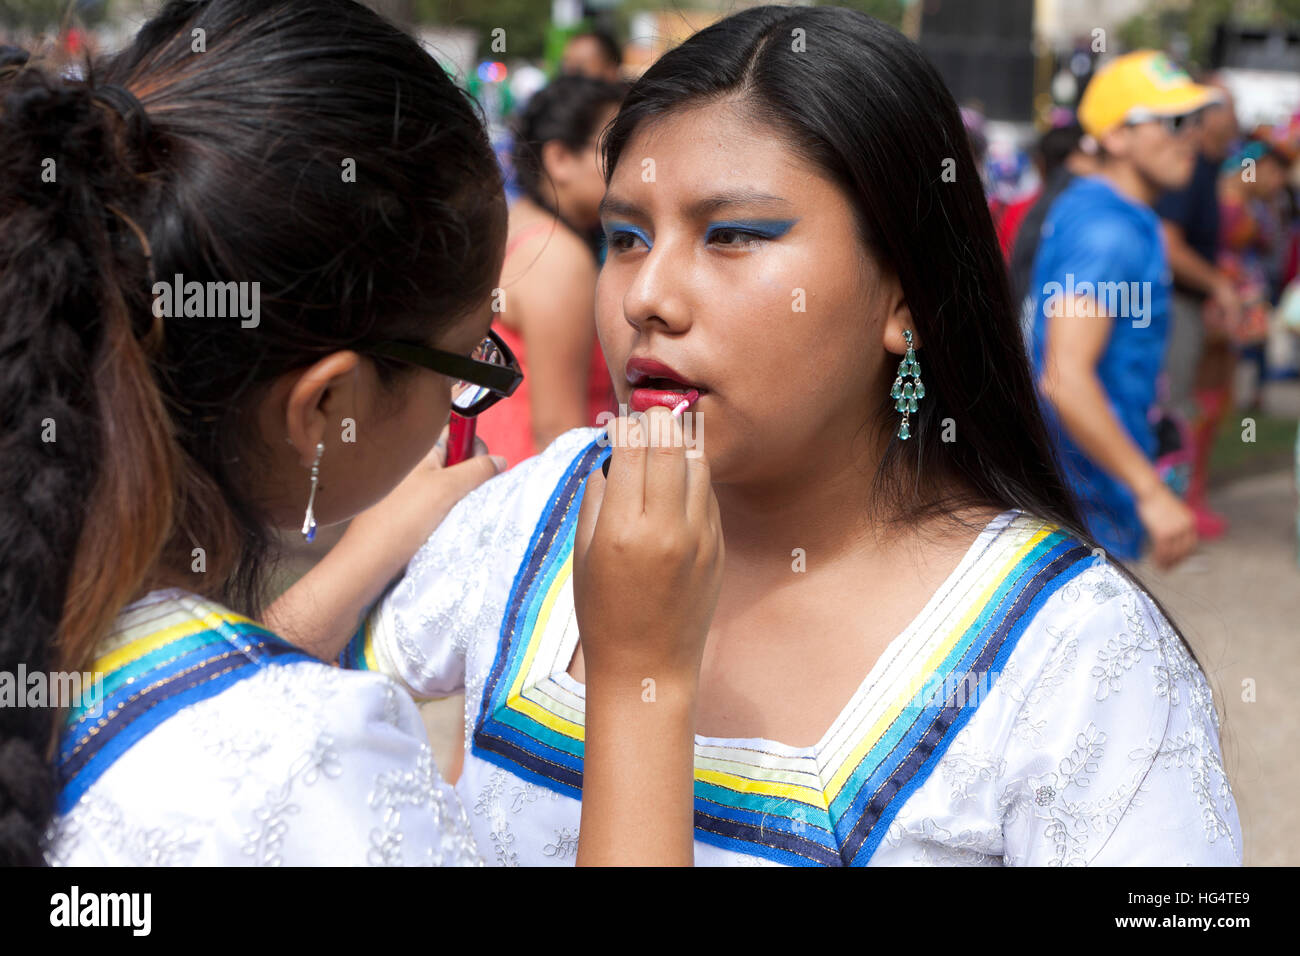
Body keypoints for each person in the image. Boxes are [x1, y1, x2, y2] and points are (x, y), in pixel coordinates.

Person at [288, 8, 1241, 866]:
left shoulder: (1074, 659)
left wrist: (643, 681)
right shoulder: (537, 513)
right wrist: (386, 535)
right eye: (624, 237)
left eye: (734, 234)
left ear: (903, 295)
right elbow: (232, 742)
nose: (648, 298)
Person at [0, 0, 718, 867]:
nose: (651, 300)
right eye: (466, 361)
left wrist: (367, 553)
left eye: (735, 235)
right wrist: (645, 678)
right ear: (325, 408)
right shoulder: (309, 766)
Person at [1029, 51, 1215, 569]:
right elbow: (1064, 377)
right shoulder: (1107, 231)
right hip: (1083, 507)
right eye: (1172, 121)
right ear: (1115, 137)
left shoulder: (1111, 211)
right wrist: (1150, 492)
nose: (1190, 136)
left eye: (1194, 120)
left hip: (1086, 497)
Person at [473, 75, 623, 467]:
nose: (637, 167)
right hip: (533, 494)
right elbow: (558, 432)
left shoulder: (519, 223)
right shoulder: (558, 258)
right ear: (559, 159)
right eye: (616, 150)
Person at [1153, 78, 1240, 539]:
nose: (1237, 116)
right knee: (1172, 408)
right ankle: (1168, 511)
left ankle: (1180, 504)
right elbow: (1169, 245)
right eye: (1228, 106)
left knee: (1185, 405)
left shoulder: (1208, 167)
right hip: (1173, 305)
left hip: (1189, 305)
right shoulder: (1185, 168)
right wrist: (1217, 285)